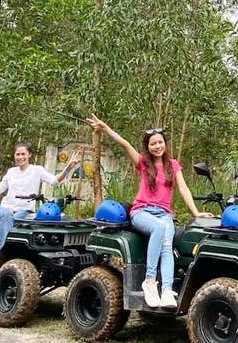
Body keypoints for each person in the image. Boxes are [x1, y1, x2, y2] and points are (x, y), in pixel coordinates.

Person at [86, 115, 212, 308]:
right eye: (153, 143)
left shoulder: (174, 165)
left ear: (165, 144)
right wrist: (105, 128)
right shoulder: (143, 163)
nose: (157, 146)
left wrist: (196, 213)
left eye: (160, 142)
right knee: (159, 229)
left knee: (167, 245)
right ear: (148, 146)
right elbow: (124, 144)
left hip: (164, 214)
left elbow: (184, 189)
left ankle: (167, 290)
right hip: (142, 212)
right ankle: (150, 281)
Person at [0, 142, 59, 282]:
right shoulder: (11, 172)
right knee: (6, 216)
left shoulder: (37, 170)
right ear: (14, 156)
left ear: (29, 155)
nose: (20, 157)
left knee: (10, 222)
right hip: (6, 209)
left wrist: (68, 168)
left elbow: (54, 181)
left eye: (23, 154)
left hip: (24, 211)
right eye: (18, 154)